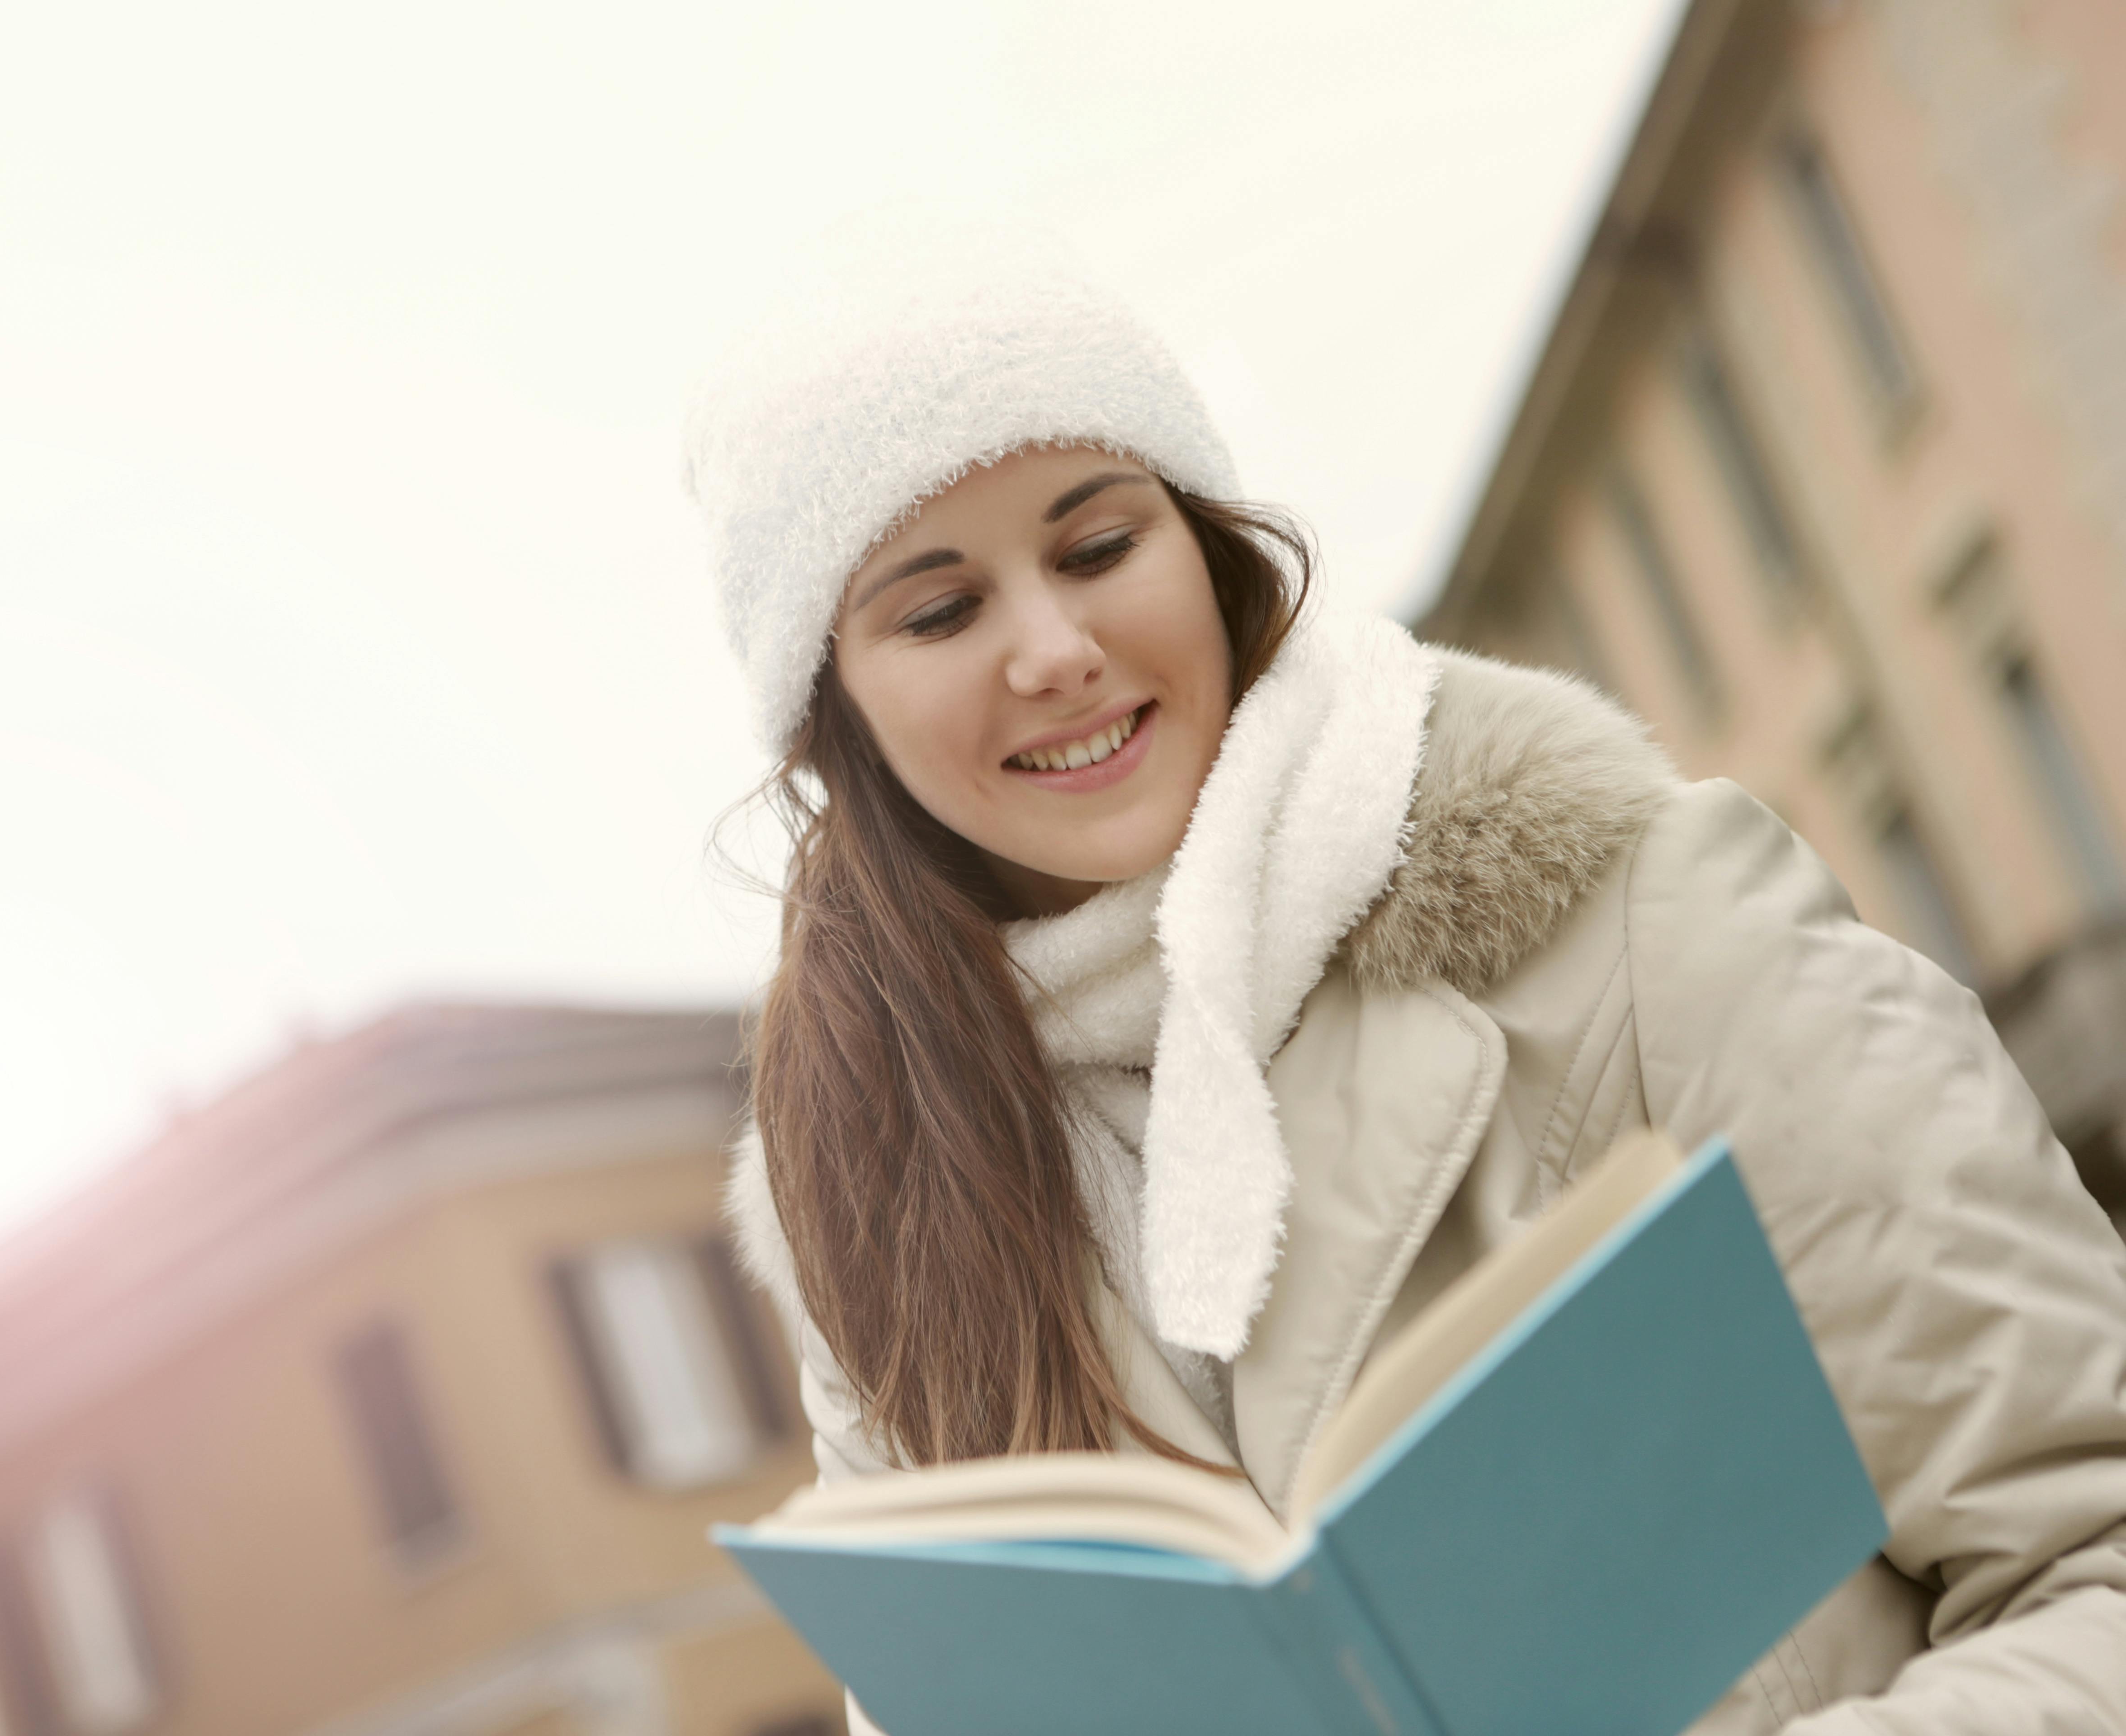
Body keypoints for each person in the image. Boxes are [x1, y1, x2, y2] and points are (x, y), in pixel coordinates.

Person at [684, 264, 2126, 1733]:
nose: (1056, 651)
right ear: (833, 713)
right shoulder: (865, 1205)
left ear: (1207, 549)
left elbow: (2098, 1559)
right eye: (939, 612)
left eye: (1102, 544)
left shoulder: (1645, 913)